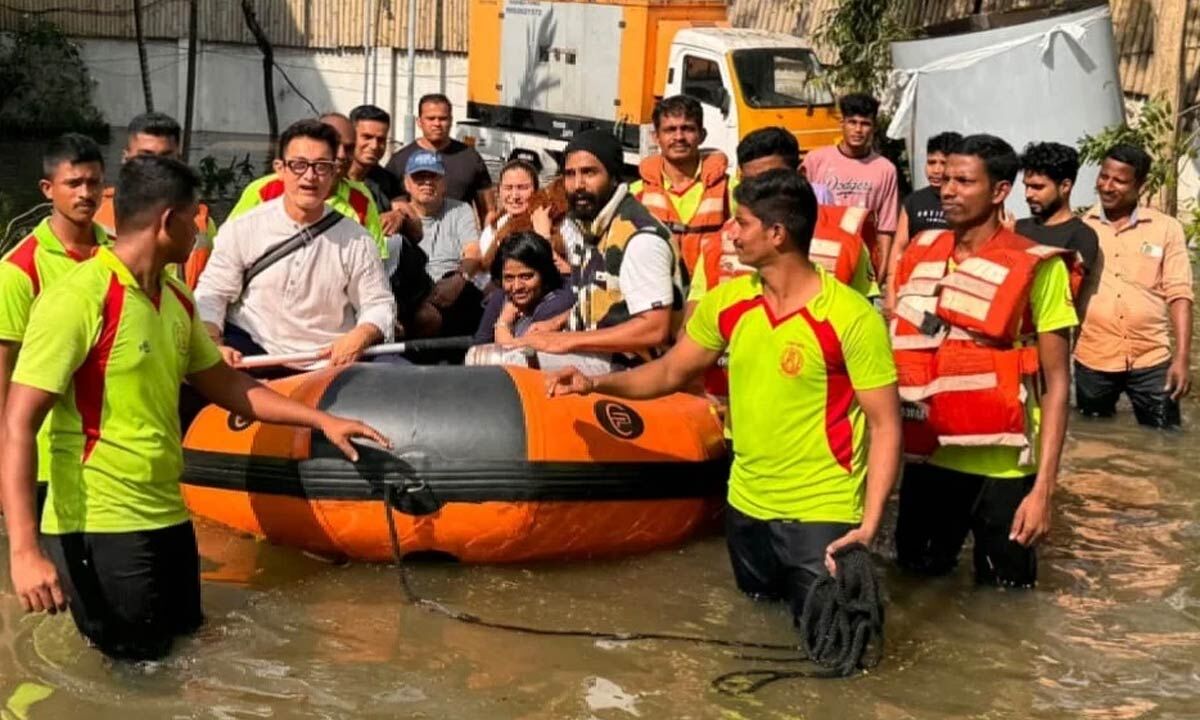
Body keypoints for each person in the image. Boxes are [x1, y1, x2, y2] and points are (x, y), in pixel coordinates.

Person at [0, 155, 390, 660]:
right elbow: (17, 422)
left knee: (185, 650)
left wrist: (320, 420)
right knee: (135, 672)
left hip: (166, 512)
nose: (201, 233)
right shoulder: (78, 300)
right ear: (168, 221)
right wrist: (25, 551)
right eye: (194, 219)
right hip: (98, 522)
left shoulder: (176, 297)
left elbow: (226, 384)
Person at [546, 169, 901, 616]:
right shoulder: (730, 301)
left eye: (742, 222)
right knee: (755, 623)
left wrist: (869, 527)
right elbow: (672, 371)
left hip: (822, 512)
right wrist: (594, 384)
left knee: (834, 650)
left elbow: (887, 425)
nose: (729, 233)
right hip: (746, 505)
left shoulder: (850, 317)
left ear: (776, 234)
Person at [890, 134, 1077, 588]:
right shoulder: (920, 252)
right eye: (946, 179)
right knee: (912, 587)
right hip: (929, 462)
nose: (948, 190)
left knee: (1007, 602)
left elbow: (1055, 384)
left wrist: (1042, 492)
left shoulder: (1039, 267)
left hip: (1005, 470)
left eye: (964, 181)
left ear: (999, 192)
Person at [194, 119, 396, 370]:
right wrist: (213, 343)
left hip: (331, 359)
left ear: (334, 171)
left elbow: (378, 303)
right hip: (255, 350)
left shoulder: (357, 239)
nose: (309, 177)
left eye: (321, 166)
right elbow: (211, 295)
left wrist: (360, 336)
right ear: (280, 168)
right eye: (299, 165)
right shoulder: (243, 228)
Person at [0, 134, 108, 520]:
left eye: (93, 182)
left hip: (105, 455)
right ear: (48, 189)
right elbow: (3, 374)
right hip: (42, 458)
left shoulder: (116, 255)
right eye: (73, 184)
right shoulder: (19, 270)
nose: (85, 193)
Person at [510, 129, 683, 363]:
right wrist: (556, 323)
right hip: (593, 353)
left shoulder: (640, 238)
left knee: (507, 362)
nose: (578, 184)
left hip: (633, 370)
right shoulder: (590, 226)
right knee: (490, 354)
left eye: (589, 173)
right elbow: (606, 304)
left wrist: (564, 341)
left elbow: (653, 329)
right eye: (570, 174)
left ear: (613, 176)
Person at [688, 126, 877, 316]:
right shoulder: (721, 240)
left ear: (801, 174)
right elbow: (693, 322)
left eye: (772, 179)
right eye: (751, 182)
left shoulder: (845, 236)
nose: (760, 192)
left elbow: (864, 315)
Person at [1073, 144, 1193, 428]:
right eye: (1103, 177)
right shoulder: (1081, 228)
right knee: (1093, 437)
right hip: (1093, 356)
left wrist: (1183, 358)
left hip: (1152, 358)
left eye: (1119, 180)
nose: (1107, 186)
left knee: (1166, 439)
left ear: (1140, 184)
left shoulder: (1166, 229)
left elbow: (1180, 295)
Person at [227, 113, 387, 259]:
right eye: (335, 146)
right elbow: (229, 248)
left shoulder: (361, 198)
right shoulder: (264, 190)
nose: (342, 155)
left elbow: (374, 261)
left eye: (349, 148)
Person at [93, 112, 218, 288]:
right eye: (145, 157)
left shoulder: (201, 223)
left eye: (166, 158)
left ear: (179, 160)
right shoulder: (93, 214)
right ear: (125, 158)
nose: (156, 166)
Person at [630, 95, 730, 284]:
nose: (679, 137)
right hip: (657, 296)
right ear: (656, 137)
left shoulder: (729, 190)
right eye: (670, 130)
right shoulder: (636, 194)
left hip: (711, 296)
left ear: (702, 135)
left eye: (687, 129)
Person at [802, 93, 899, 283]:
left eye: (865, 124)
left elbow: (886, 228)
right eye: (852, 122)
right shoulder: (815, 161)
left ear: (874, 128)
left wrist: (882, 271)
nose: (858, 130)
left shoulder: (886, 169)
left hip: (862, 263)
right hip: (819, 257)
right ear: (842, 123)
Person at [404, 149, 485, 337]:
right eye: (419, 177)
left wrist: (459, 280)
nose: (427, 182)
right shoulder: (398, 215)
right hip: (413, 295)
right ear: (407, 184)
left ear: (444, 183)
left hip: (451, 291)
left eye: (433, 176)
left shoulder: (460, 210)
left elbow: (473, 252)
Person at [385, 94, 495, 219]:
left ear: (451, 121)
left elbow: (488, 210)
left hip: (460, 235)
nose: (437, 123)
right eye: (431, 118)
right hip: (413, 236)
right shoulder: (400, 160)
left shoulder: (470, 158)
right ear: (419, 122)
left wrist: (489, 234)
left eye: (443, 118)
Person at [884, 131, 961, 308]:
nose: (936, 169)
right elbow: (899, 246)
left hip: (950, 291)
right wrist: (890, 291)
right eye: (931, 162)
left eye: (943, 163)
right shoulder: (913, 201)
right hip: (912, 289)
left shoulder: (965, 201)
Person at [1015, 142, 1100, 291]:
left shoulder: (1081, 236)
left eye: (1038, 187)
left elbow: (1063, 292)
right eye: (1026, 186)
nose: (1028, 194)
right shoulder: (1016, 228)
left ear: (1065, 186)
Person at [472, 232, 576, 344]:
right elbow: (480, 344)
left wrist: (503, 324)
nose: (517, 287)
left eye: (526, 277)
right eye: (509, 278)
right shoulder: (502, 295)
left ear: (545, 274)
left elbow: (520, 354)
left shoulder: (558, 301)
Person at [346, 104, 422, 242]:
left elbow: (417, 231)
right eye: (367, 137)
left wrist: (399, 216)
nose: (375, 146)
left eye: (381, 140)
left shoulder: (386, 180)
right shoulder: (331, 175)